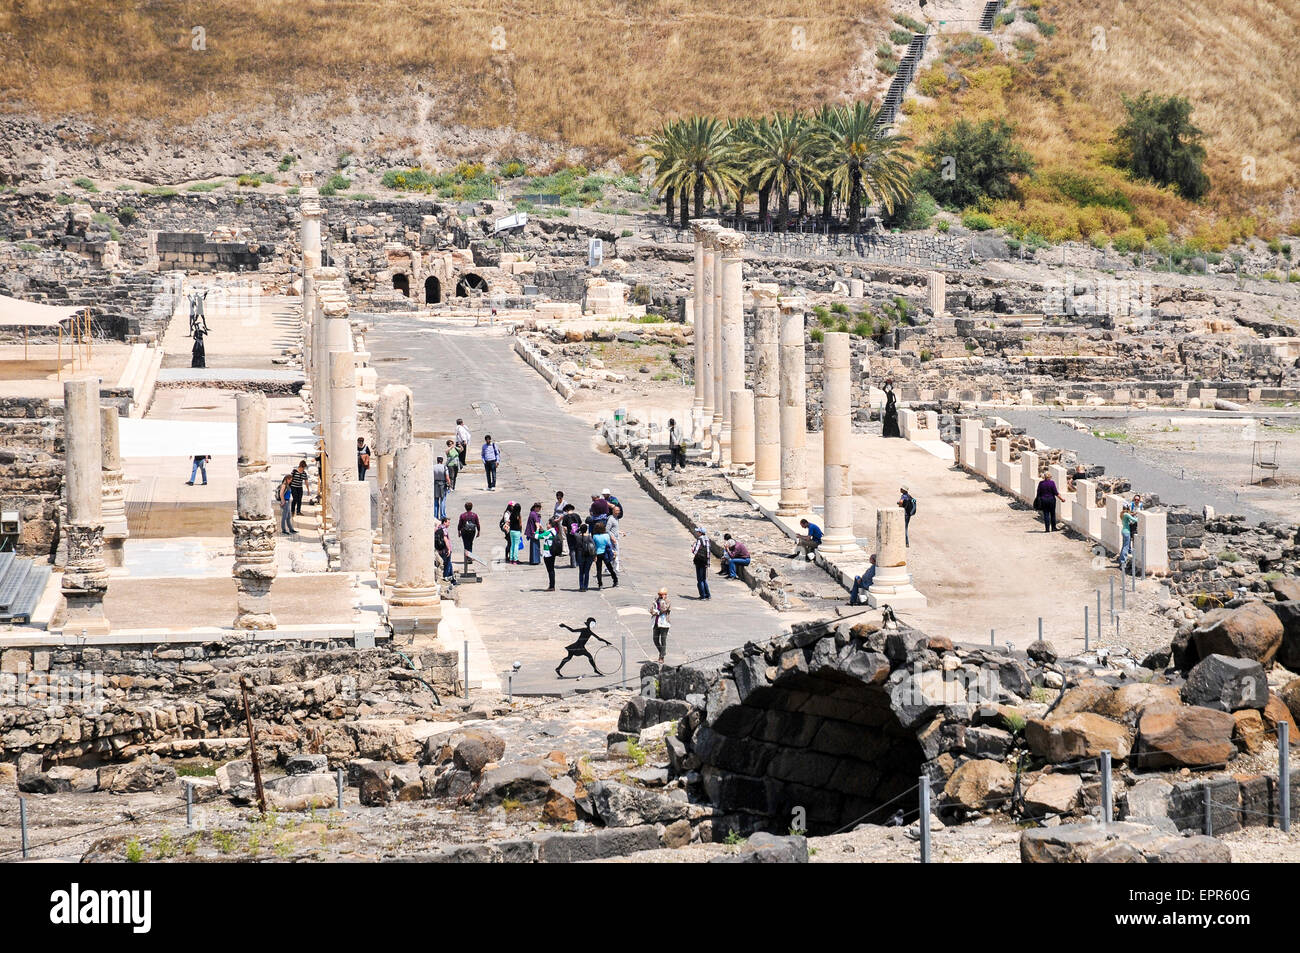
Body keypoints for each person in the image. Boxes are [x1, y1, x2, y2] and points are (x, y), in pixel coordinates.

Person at [592, 520, 618, 588]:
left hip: (598, 553)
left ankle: (600, 584)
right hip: (605, 553)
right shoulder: (606, 535)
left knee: (599, 570)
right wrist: (613, 552)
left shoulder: (594, 536)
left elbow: (594, 546)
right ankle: (615, 580)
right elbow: (609, 545)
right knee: (610, 567)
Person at [650, 588, 672, 663]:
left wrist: (662, 601)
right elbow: (651, 609)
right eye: (659, 594)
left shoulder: (667, 601)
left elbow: (664, 609)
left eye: (661, 594)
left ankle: (661, 657)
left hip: (664, 623)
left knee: (663, 640)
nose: (660, 596)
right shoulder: (656, 600)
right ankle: (662, 652)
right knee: (655, 640)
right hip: (656, 622)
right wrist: (655, 612)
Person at [458, 501, 480, 570]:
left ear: (465, 508)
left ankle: (467, 557)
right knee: (470, 543)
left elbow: (460, 524)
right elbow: (477, 523)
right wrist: (479, 531)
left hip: (464, 531)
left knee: (465, 544)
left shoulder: (462, 515)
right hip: (472, 531)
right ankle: (469, 557)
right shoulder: (475, 515)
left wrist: (458, 531)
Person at [539, 518, 560, 591]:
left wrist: (537, 530)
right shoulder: (554, 531)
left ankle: (551, 586)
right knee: (552, 570)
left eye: (547, 524)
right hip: (552, 553)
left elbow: (537, 536)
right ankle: (552, 585)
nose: (546, 525)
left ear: (550, 525)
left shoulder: (548, 533)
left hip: (548, 554)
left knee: (550, 570)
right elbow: (546, 534)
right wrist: (542, 530)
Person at [692, 527, 712, 599]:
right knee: (704, 579)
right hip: (705, 561)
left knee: (700, 580)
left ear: (700, 533)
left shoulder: (699, 539)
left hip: (699, 561)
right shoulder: (708, 540)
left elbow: (695, 551)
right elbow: (708, 552)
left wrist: (693, 547)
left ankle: (702, 595)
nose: (697, 533)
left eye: (698, 532)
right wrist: (708, 563)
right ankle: (708, 595)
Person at [575, 523, 596, 591]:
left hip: (580, 555)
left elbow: (573, 532)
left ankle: (581, 586)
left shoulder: (577, 536)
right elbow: (593, 546)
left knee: (581, 572)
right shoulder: (589, 537)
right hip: (588, 555)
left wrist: (578, 529)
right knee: (587, 572)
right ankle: (585, 586)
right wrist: (594, 555)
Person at [435, 517, 455, 583]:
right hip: (445, 550)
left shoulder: (438, 528)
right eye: (448, 522)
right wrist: (449, 549)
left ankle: (452, 578)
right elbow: (446, 540)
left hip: (440, 549)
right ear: (444, 522)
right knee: (447, 563)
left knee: (448, 563)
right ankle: (446, 577)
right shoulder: (444, 529)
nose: (449, 524)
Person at [562, 504, 582, 568]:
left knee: (572, 548)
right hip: (577, 533)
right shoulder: (577, 515)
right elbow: (580, 524)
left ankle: (573, 564)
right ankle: (578, 562)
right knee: (578, 548)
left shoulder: (565, 517)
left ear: (567, 510)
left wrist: (566, 533)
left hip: (570, 534)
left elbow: (564, 527)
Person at [433, 456, 449, 520]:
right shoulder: (444, 467)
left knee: (436, 501)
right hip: (442, 484)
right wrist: (449, 484)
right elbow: (447, 477)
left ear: (437, 461)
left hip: (435, 484)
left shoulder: (433, 467)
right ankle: (443, 515)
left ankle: (435, 516)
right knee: (442, 501)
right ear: (442, 461)